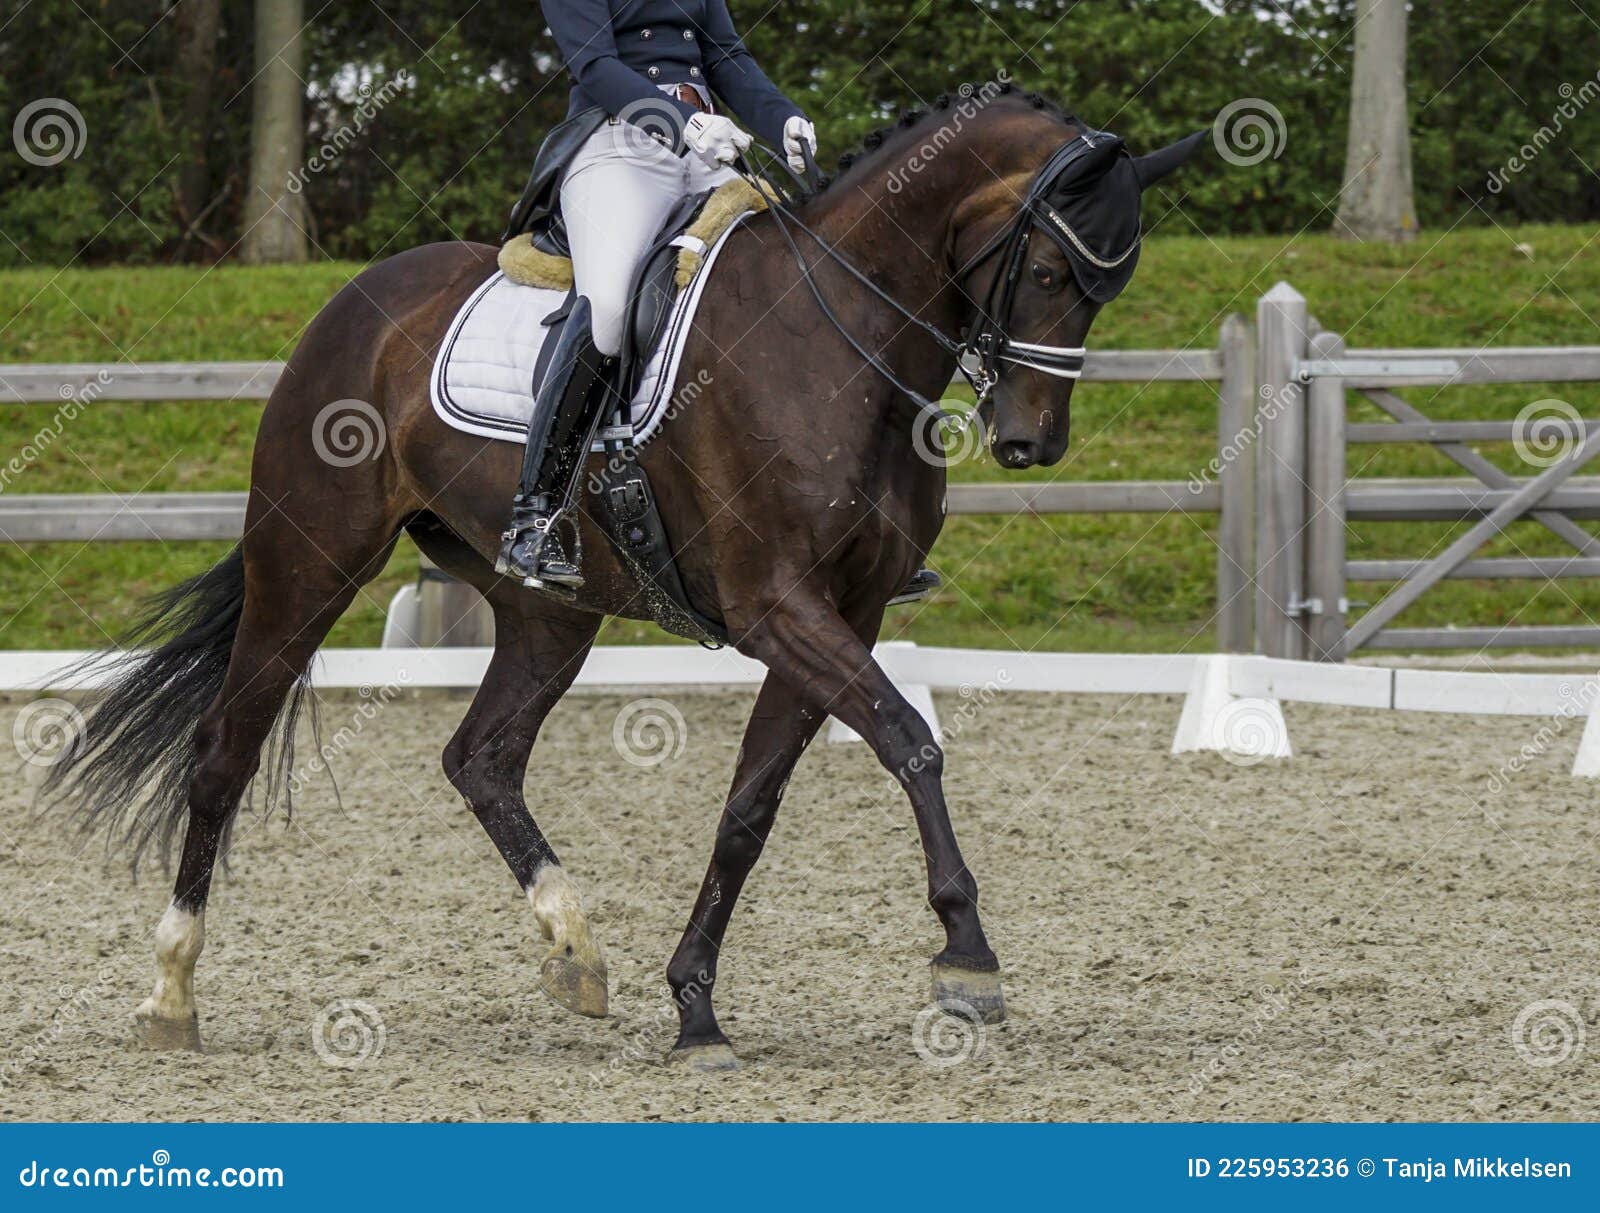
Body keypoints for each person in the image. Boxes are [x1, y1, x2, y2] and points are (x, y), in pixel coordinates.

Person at [498, 0, 817, 587]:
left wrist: (782, 120)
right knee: (612, 308)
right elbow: (594, 65)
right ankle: (534, 517)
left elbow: (725, 57)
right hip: (617, 145)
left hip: (708, 151)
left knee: (796, 277)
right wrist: (683, 122)